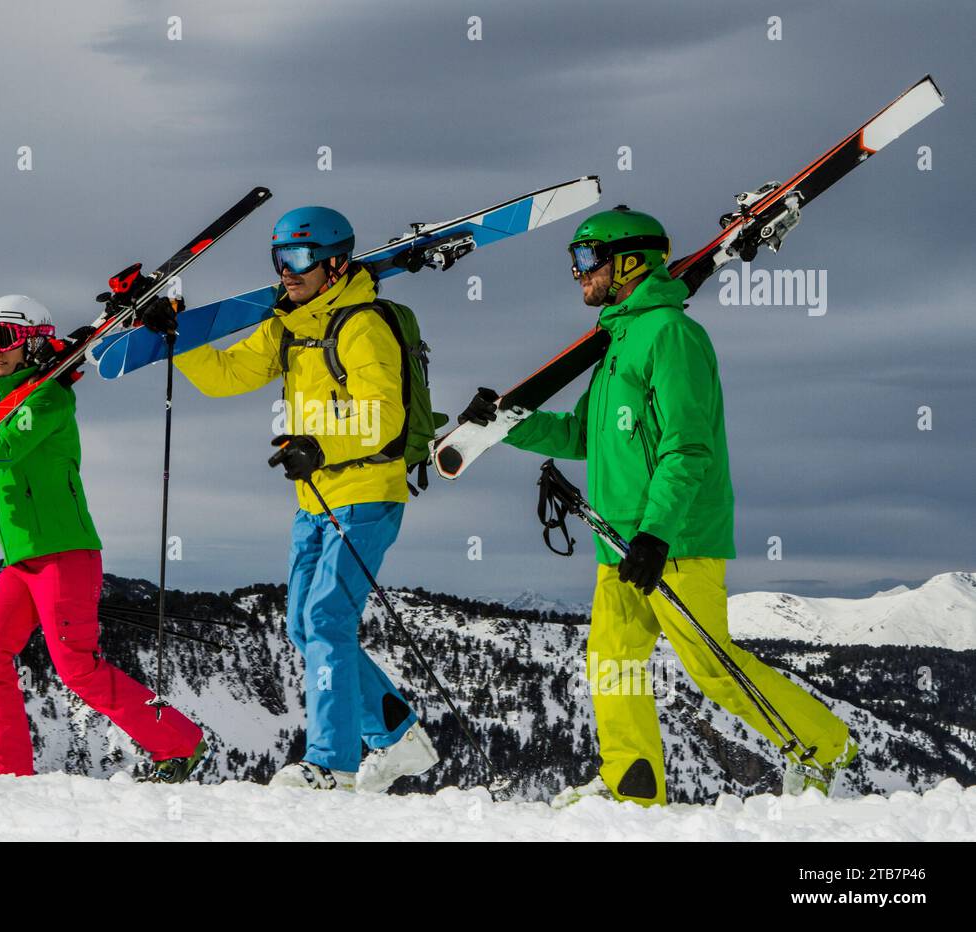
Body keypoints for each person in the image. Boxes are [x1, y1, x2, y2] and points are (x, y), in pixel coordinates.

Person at [458, 207, 856, 806]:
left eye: (586, 257)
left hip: (675, 540)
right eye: (574, 258)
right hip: (618, 543)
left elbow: (687, 446)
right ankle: (632, 789)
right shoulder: (618, 341)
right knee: (612, 664)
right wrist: (507, 423)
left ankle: (824, 747)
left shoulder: (672, 334)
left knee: (711, 665)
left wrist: (656, 533)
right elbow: (579, 436)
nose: (577, 272)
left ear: (628, 262)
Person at [139, 207, 438, 792]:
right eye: (279, 258)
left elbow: (384, 417)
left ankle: (332, 765)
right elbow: (226, 375)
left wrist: (318, 444)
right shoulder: (289, 326)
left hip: (368, 493)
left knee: (327, 617)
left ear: (336, 263)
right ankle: (399, 735)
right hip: (316, 498)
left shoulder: (361, 325)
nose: (287, 271)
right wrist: (177, 334)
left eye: (299, 258)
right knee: (306, 626)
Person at [0, 294, 208, 783]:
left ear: (31, 342)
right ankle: (5, 769)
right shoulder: (10, 406)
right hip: (23, 561)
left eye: (2, 337)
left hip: (64, 554)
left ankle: (181, 743)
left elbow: (5, 450)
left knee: (78, 668)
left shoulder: (48, 399)